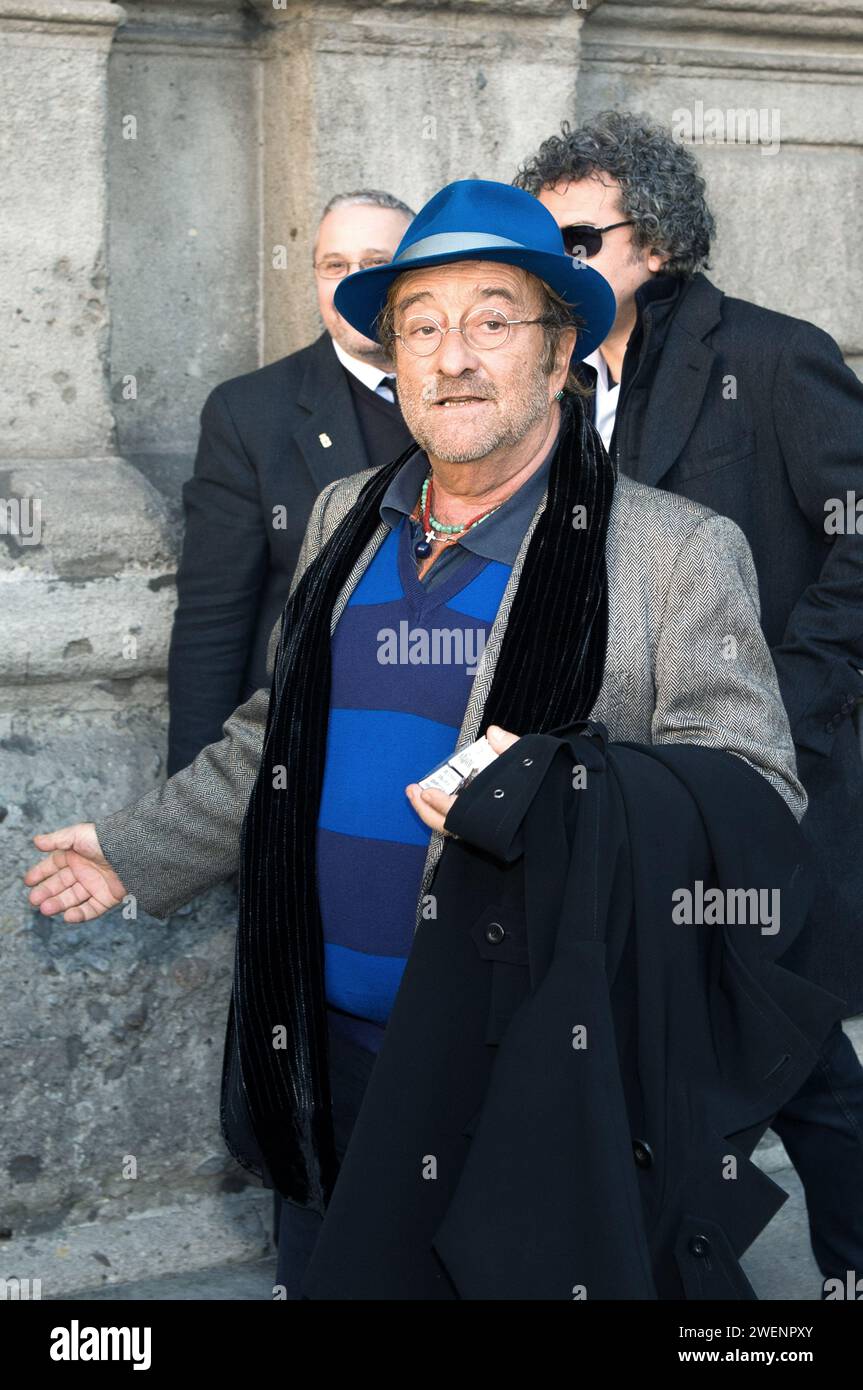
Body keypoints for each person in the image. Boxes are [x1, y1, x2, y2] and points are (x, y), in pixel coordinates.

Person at [25, 179, 810, 1298]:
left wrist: (558, 788)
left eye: (492, 320)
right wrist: (134, 848)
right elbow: (278, 734)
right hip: (323, 1052)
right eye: (422, 326)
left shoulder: (671, 552)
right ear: (392, 358)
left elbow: (753, 797)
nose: (452, 356)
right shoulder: (347, 514)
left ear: (556, 356)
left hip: (523, 1070)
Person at [514, 108, 863, 1291]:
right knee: (679, 1031)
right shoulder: (562, 387)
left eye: (578, 235)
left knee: (796, 1046)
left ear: (653, 242)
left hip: (759, 774)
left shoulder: (767, 354)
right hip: (627, 782)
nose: (552, 261)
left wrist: (788, 703)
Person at [167, 189, 415, 775]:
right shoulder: (249, 412)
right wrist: (186, 808)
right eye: (335, 266)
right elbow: (214, 619)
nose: (352, 281)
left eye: (376, 264)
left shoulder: (478, 392)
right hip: (312, 750)